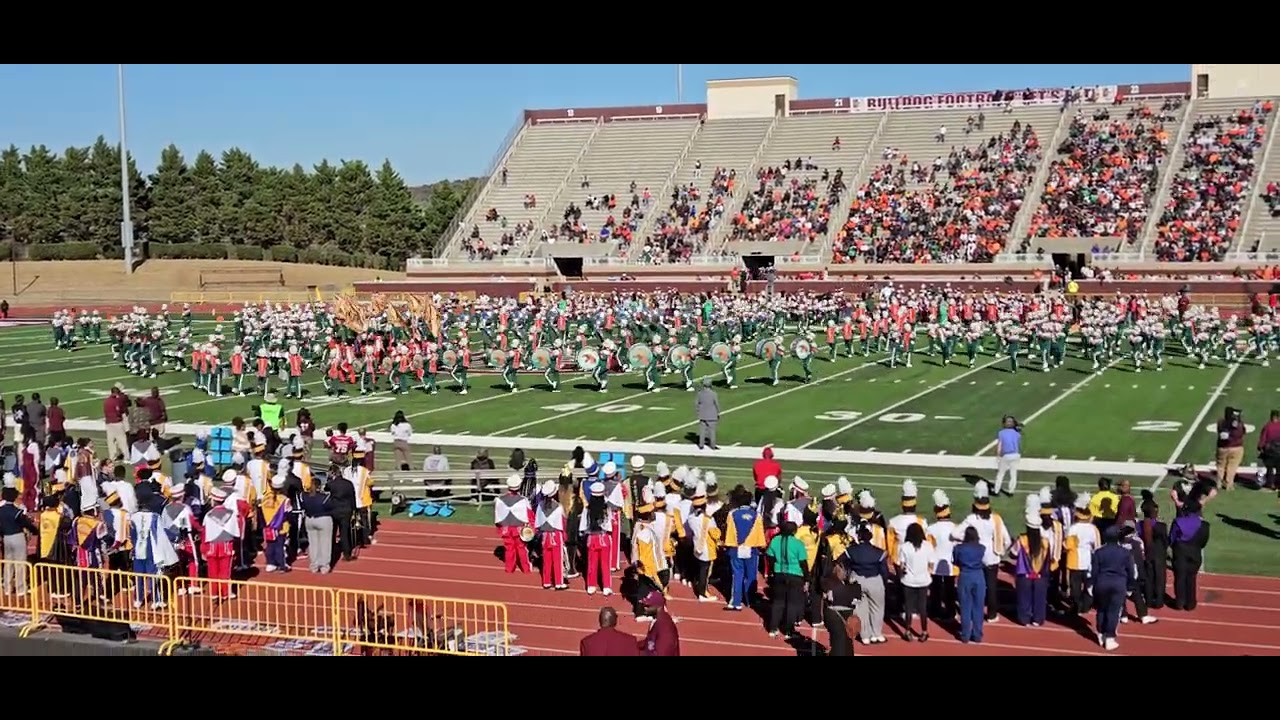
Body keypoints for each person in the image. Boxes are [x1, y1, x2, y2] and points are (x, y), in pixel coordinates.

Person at [950, 480, 1009, 622]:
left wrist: (968, 540)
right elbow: (1007, 540)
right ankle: (992, 614)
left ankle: (973, 611)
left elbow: (955, 534)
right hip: (992, 557)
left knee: (975, 587)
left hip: (975, 556)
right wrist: (1000, 551)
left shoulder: (971, 519)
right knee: (992, 588)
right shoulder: (996, 519)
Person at [1013, 494, 1053, 627]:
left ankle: (1024, 619)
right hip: (1041, 574)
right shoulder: (1045, 542)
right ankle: (1038, 619)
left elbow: (1013, 553)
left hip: (1024, 574)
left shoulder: (1022, 539)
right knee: (1040, 598)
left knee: (1024, 598)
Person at [1091, 525, 1133, 651]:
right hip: (1118, 584)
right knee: (1114, 611)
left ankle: (1101, 633)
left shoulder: (1099, 552)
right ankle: (1109, 637)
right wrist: (1130, 586)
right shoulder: (1125, 553)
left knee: (1101, 609)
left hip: (1101, 583)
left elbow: (1094, 571)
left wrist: (1091, 585)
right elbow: (1130, 571)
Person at [764, 520, 807, 638]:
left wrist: (773, 571)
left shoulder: (775, 541)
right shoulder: (798, 543)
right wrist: (806, 577)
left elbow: (770, 557)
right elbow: (803, 562)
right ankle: (788, 631)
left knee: (778, 602)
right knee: (791, 603)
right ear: (794, 531)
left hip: (779, 573)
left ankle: (773, 628)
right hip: (795, 575)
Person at [846, 524, 889, 644]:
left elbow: (843, 563)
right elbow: (884, 570)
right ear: (870, 537)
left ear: (858, 536)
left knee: (861, 609)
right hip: (874, 580)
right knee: (877, 608)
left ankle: (865, 636)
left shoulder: (851, 550)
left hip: (857, 580)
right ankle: (877, 634)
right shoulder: (878, 552)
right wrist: (884, 582)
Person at [895, 522, 934, 642]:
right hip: (923, 580)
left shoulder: (905, 547)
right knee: (922, 607)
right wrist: (926, 573)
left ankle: (907, 630)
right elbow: (931, 564)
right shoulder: (928, 546)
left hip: (909, 580)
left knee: (909, 607)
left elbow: (901, 565)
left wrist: (902, 574)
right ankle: (924, 631)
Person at [1169, 500, 1210, 611]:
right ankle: (1190, 603)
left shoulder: (1178, 522)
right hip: (1195, 553)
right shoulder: (1205, 525)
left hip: (1180, 552)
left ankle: (1179, 602)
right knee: (1191, 578)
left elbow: (1171, 539)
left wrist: (1176, 547)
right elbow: (1204, 542)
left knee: (1179, 577)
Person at [1064, 493, 1100, 615]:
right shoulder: (1093, 528)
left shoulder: (1073, 528)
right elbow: (1097, 547)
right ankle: (1086, 605)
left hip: (1074, 560)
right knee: (1088, 585)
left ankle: (1076, 607)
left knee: (1075, 586)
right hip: (1088, 560)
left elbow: (1067, 545)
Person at [0, 485, 37, 596]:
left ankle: (7, 588)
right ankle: (20, 589)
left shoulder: (1, 511)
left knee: (8, 563)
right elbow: (26, 524)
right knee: (20, 563)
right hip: (18, 537)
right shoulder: (17, 511)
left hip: (6, 537)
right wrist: (35, 531)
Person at [494, 474, 533, 575]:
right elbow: (530, 515)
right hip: (519, 528)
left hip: (506, 528)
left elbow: (498, 515)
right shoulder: (523, 500)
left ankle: (509, 568)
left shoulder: (500, 500)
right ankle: (526, 568)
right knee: (521, 548)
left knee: (509, 548)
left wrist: (500, 527)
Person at [953, 525, 986, 644]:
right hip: (978, 575)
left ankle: (965, 634)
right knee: (978, 606)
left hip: (965, 575)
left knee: (965, 606)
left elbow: (955, 561)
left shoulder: (959, 548)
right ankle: (977, 634)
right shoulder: (981, 548)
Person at [580, 481, 612, 596]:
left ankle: (591, 585)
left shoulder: (587, 509)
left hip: (592, 538)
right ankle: (606, 586)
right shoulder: (606, 508)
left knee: (592, 563)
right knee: (605, 563)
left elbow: (583, 526)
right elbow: (609, 525)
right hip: (603, 537)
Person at [536, 480, 569, 591]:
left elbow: (538, 523)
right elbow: (563, 521)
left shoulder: (540, 506)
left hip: (545, 536)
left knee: (546, 559)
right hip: (556, 535)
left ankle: (546, 581)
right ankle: (559, 582)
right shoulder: (558, 507)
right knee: (557, 559)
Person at [1139, 496, 1168, 611]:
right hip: (1159, 554)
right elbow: (1166, 541)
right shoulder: (1161, 526)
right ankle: (1159, 601)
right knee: (1159, 579)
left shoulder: (1140, 524)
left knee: (1149, 578)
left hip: (1146, 553)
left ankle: (1149, 600)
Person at [325, 462, 357, 563]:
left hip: (334, 511)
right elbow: (353, 498)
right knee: (345, 533)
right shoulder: (349, 483)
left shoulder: (331, 484)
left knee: (333, 532)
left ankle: (332, 551)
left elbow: (325, 488)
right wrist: (354, 510)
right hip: (346, 510)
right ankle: (347, 553)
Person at [300, 479, 334, 574]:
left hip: (309, 520)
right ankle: (324, 566)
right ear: (319, 486)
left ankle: (314, 565)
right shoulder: (325, 497)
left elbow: (303, 506)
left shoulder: (304, 496)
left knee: (313, 544)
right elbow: (331, 506)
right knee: (325, 543)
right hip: (323, 519)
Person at [638, 590, 680, 656]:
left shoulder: (665, 629)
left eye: (648, 606)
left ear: (658, 607)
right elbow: (649, 641)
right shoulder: (658, 619)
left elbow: (663, 652)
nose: (644, 608)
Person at [1215, 406, 1246, 491]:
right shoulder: (1238, 424)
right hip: (1236, 447)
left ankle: (1219, 483)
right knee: (1232, 466)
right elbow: (1242, 432)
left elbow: (1219, 430)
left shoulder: (1221, 422)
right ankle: (1229, 484)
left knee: (1220, 466)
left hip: (1222, 447)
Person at [992, 415, 1021, 495]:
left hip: (1006, 455)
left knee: (1001, 474)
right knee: (1013, 474)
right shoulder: (1016, 433)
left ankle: (996, 490)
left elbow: (1000, 445)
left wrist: (998, 456)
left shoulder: (1001, 433)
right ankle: (1011, 491)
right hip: (1016, 454)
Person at [694, 378, 719, 450]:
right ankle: (713, 445)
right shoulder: (713, 394)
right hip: (712, 415)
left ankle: (701, 445)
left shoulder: (700, 394)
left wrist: (698, 411)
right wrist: (718, 412)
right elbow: (716, 404)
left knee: (702, 431)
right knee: (712, 431)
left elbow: (696, 404)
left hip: (702, 415)